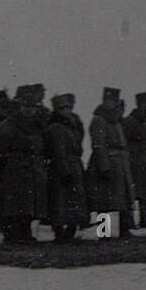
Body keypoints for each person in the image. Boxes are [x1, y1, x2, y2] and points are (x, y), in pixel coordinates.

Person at [0, 86, 49, 244]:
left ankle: (25, 234)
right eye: (26, 107)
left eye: (32, 107)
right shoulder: (9, 125)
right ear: (20, 107)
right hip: (15, 169)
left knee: (29, 205)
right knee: (15, 204)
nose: (30, 111)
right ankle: (12, 235)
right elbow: (0, 150)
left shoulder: (37, 125)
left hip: (33, 167)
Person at [86, 87, 135, 238]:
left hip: (120, 164)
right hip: (108, 164)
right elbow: (98, 145)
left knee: (124, 199)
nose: (112, 104)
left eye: (114, 101)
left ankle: (125, 231)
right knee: (104, 202)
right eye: (110, 100)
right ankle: (103, 232)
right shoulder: (99, 120)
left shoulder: (115, 120)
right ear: (104, 101)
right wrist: (104, 166)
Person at [45, 93, 90, 243]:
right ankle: (59, 232)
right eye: (63, 108)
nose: (68, 110)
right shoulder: (57, 127)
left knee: (75, 200)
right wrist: (65, 170)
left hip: (74, 164)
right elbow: (59, 151)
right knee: (60, 201)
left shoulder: (73, 125)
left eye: (69, 107)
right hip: (62, 167)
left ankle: (70, 230)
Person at [123, 91, 146, 228]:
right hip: (135, 159)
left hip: (145, 159)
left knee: (144, 191)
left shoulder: (145, 120)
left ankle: (144, 219)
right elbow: (125, 141)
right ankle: (130, 220)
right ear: (141, 105)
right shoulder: (131, 121)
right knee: (134, 191)